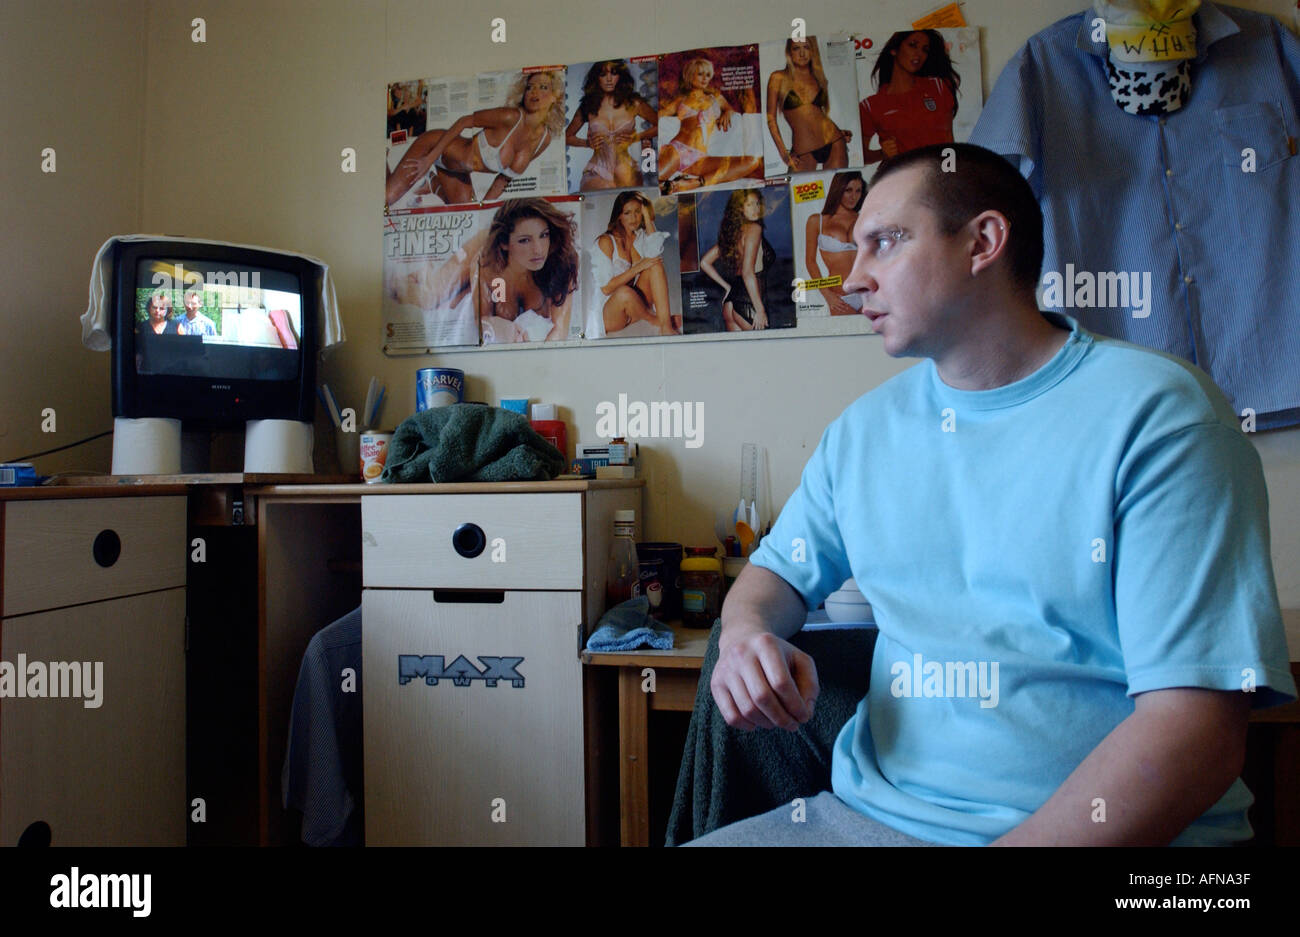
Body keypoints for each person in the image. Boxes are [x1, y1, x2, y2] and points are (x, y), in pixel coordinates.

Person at [694, 142, 1296, 846]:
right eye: (854, 249)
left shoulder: (1161, 416)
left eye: (884, 243)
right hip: (870, 821)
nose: (852, 279)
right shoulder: (863, 433)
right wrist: (743, 634)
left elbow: (1195, 732)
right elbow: (770, 577)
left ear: (983, 241)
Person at [385, 70, 565, 208]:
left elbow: (503, 180)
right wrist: (428, 160)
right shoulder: (509, 117)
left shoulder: (544, 140)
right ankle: (382, 156)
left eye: (543, 87)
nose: (534, 92)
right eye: (530, 87)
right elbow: (464, 122)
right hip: (434, 147)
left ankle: (433, 183)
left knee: (467, 216)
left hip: (457, 171)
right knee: (388, 198)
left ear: (554, 96)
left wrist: (483, 209)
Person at [657, 55, 763, 194]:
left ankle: (693, 183)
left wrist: (727, 113)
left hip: (699, 158)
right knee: (655, 181)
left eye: (708, 75)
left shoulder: (715, 98)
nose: (705, 78)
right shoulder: (681, 99)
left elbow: (729, 108)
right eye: (700, 74)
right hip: (678, 150)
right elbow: (659, 115)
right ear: (690, 75)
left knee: (752, 161)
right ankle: (670, 184)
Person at [859, 29, 960, 164]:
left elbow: (948, 138)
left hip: (936, 178)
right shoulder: (870, 106)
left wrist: (950, 176)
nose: (919, 54)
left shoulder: (938, 87)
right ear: (894, 49)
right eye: (912, 45)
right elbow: (858, 156)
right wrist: (881, 153)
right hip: (900, 179)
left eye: (925, 50)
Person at [592, 191, 676, 336]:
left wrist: (648, 217)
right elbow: (606, 288)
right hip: (612, 313)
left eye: (638, 212)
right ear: (619, 215)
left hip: (634, 307)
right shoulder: (606, 241)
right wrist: (638, 267)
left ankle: (666, 326)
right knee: (624, 293)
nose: (634, 218)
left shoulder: (639, 236)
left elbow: (655, 253)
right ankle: (655, 320)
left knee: (654, 263)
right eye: (627, 213)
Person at [566, 61, 658, 191]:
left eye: (614, 74)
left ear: (621, 76)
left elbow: (660, 125)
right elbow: (567, 137)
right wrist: (587, 143)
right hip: (597, 170)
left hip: (627, 170)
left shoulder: (634, 103)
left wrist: (636, 137)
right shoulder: (588, 105)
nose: (609, 79)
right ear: (596, 78)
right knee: (603, 191)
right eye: (603, 74)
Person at [766, 38, 853, 172]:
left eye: (806, 47)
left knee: (837, 189)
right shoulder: (778, 77)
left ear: (813, 51)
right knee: (797, 191)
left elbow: (817, 114)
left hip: (834, 142)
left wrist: (840, 132)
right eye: (796, 48)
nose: (802, 54)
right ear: (789, 52)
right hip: (803, 150)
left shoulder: (819, 77)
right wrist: (784, 154)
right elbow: (771, 119)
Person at [699, 189, 775, 331]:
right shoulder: (754, 228)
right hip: (748, 304)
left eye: (757, 204)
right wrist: (760, 310)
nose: (755, 209)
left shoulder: (733, 234)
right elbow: (747, 273)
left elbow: (704, 262)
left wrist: (727, 287)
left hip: (731, 304)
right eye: (749, 204)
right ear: (740, 208)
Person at [803, 170, 865, 315]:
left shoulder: (864, 218)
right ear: (838, 189)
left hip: (867, 294)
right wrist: (827, 295)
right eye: (848, 190)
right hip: (839, 297)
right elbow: (810, 262)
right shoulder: (816, 221)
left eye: (858, 191)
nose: (853, 196)